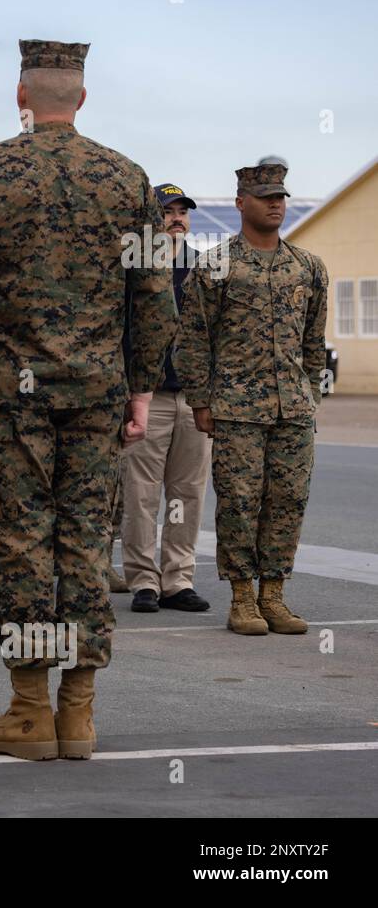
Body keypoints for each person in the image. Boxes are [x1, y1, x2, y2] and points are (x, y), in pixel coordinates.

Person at [0, 41, 176, 761]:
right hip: (99, 395)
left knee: (18, 545)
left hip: (12, 398)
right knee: (82, 544)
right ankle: (79, 714)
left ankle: (30, 710)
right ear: (81, 99)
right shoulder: (128, 178)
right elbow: (155, 300)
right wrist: (139, 389)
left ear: (21, 95)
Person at [174, 163, 327, 636]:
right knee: (239, 502)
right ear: (242, 203)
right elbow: (194, 338)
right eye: (264, 196)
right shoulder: (215, 263)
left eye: (280, 195)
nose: (275, 203)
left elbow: (314, 340)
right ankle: (242, 597)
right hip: (237, 407)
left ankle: (274, 595)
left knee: (288, 501)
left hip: (294, 409)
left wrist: (310, 393)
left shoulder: (307, 266)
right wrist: (201, 400)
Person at [120, 183, 212, 614]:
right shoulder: (133, 267)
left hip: (193, 399)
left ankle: (178, 578)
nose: (177, 217)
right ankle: (143, 580)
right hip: (148, 396)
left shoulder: (205, 269)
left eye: (183, 211)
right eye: (168, 211)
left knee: (186, 493)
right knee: (140, 493)